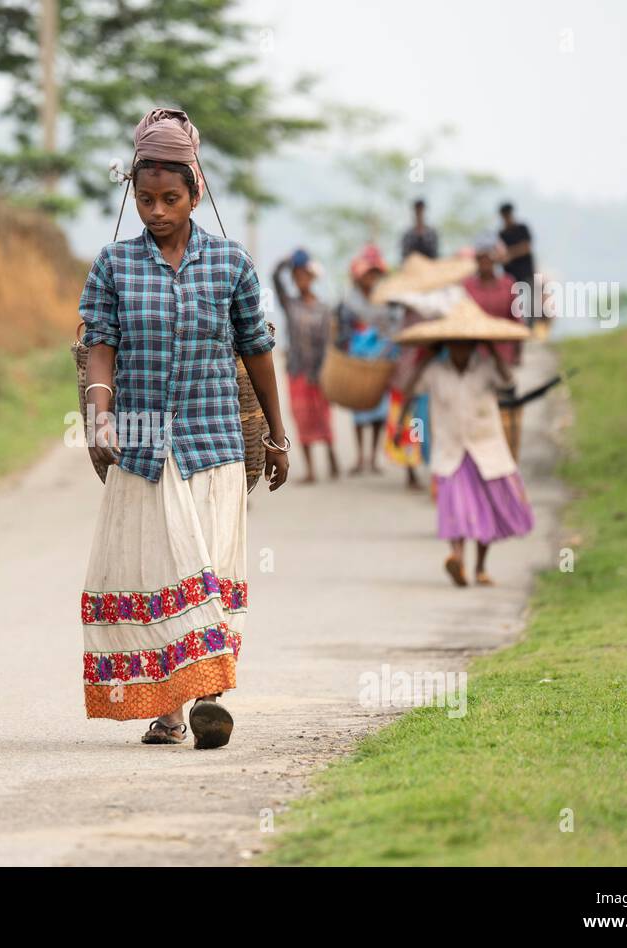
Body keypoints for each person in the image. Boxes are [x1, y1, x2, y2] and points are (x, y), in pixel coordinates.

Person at [78, 107, 288, 749]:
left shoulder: (231, 264)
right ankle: (170, 708)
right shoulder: (115, 266)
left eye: (171, 198)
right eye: (145, 199)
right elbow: (100, 341)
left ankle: (210, 696)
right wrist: (99, 413)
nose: (157, 211)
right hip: (142, 448)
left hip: (216, 445)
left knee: (207, 567)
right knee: (158, 570)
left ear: (196, 194)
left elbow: (256, 348)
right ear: (133, 196)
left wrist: (278, 435)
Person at [397, 336, 534, 587]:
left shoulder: (485, 367)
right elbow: (409, 391)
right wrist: (423, 360)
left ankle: (480, 567)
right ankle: (457, 559)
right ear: (446, 346)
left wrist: (494, 352)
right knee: (455, 508)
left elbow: (509, 384)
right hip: (450, 449)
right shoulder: (435, 371)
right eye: (454, 344)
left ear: (473, 345)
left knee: (486, 510)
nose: (459, 349)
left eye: (465, 344)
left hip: (485, 446)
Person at [273, 249, 338, 481]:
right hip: (297, 370)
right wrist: (286, 260)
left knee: (323, 417)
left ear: (312, 278)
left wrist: (324, 371)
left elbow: (326, 343)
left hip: (318, 372)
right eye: (297, 276)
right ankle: (310, 469)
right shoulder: (290, 305)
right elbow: (275, 279)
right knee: (301, 418)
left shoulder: (322, 309)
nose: (301, 280)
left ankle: (332, 458)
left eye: (305, 276)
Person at [463, 234, 526, 458]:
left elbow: (517, 321)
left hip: (502, 358)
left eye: (488, 258)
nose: (485, 263)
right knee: (474, 410)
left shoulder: (508, 285)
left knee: (503, 409)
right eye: (481, 258)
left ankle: (505, 454)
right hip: (473, 360)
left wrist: (518, 352)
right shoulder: (467, 287)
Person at [334, 245, 394, 474]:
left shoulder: (385, 299)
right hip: (357, 357)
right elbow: (343, 332)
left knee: (380, 409)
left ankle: (373, 456)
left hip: (381, 357)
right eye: (368, 273)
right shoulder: (350, 302)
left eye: (375, 274)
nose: (372, 278)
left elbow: (391, 327)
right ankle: (360, 456)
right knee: (359, 408)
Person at [498, 202, 536, 322]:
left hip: (526, 273)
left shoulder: (522, 229)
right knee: (514, 306)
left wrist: (510, 254)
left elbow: (526, 247)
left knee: (531, 305)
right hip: (511, 276)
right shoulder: (501, 234)